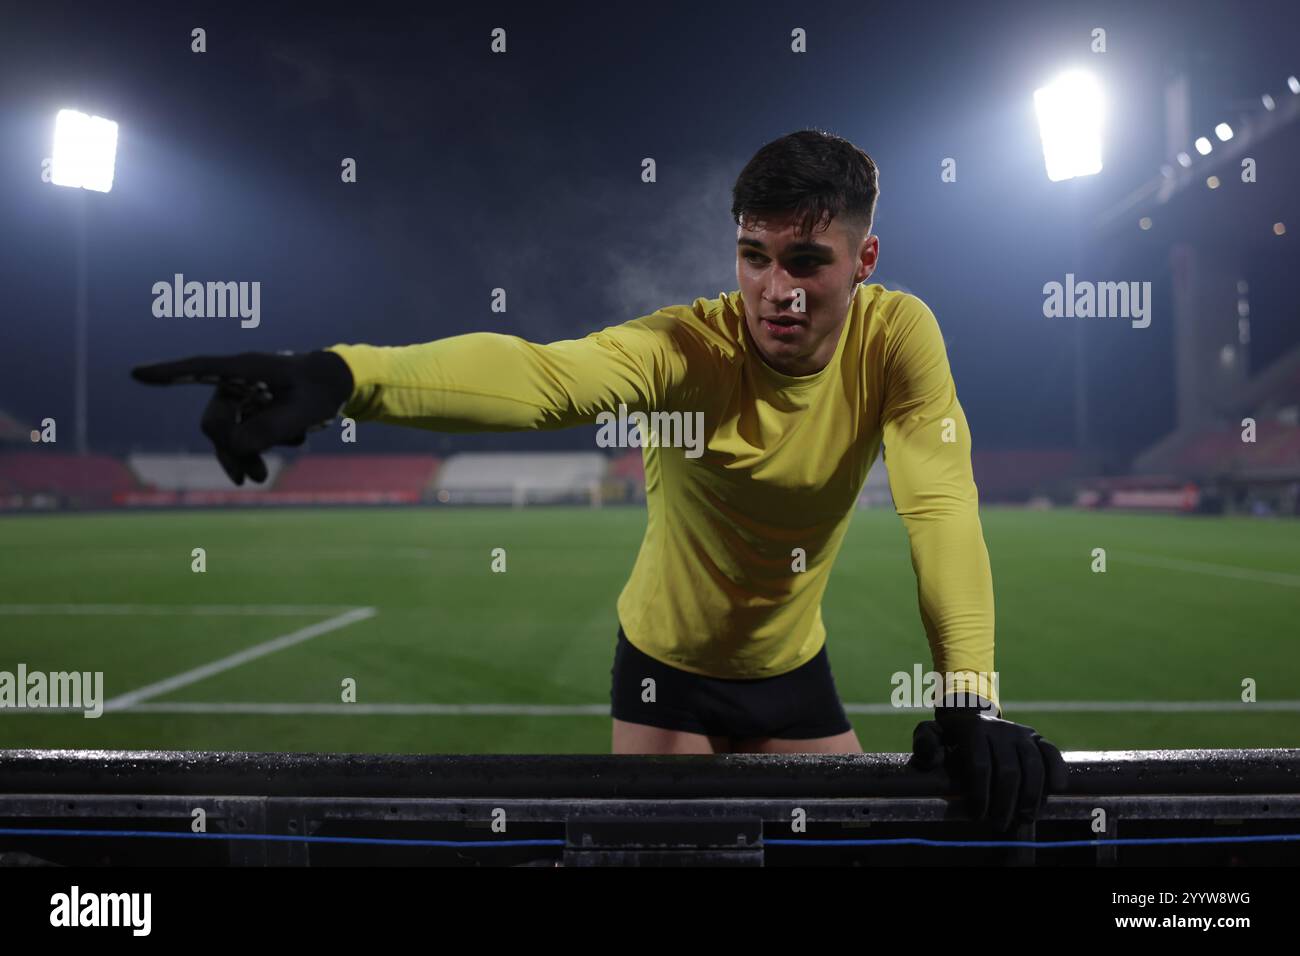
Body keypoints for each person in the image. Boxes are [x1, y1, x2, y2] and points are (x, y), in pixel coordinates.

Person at [133, 129, 1065, 830]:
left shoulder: (899, 337)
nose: (777, 290)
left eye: (808, 263)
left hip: (792, 671)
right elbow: (542, 379)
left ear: (864, 261)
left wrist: (968, 699)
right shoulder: (683, 348)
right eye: (755, 256)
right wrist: (344, 376)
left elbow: (939, 502)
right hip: (666, 672)